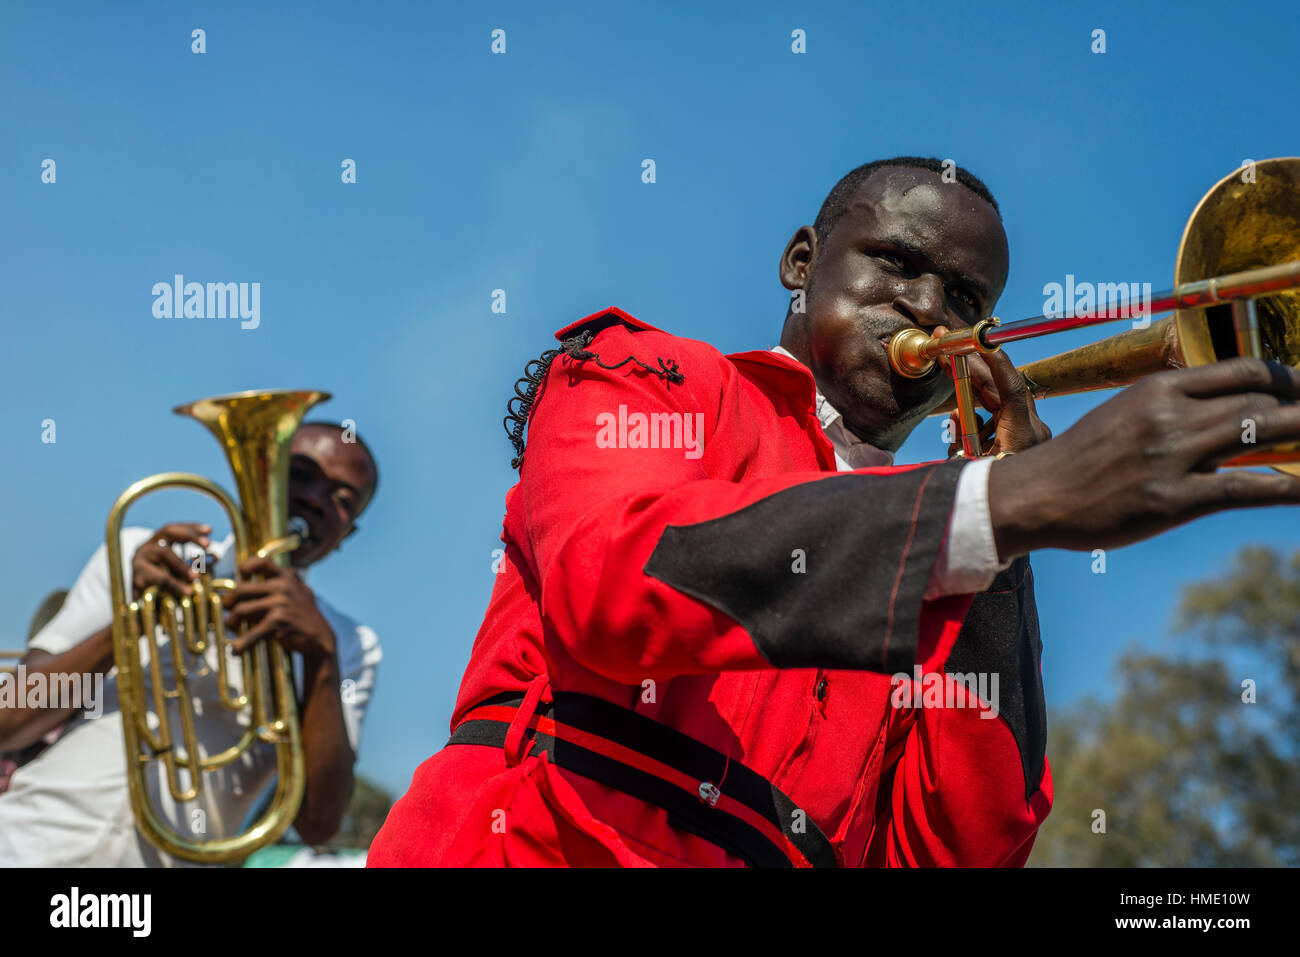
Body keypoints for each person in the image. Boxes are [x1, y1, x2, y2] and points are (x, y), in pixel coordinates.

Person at [369, 157, 1300, 868]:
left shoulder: (940, 542)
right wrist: (998, 501)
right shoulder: (643, 371)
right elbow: (615, 585)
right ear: (802, 261)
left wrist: (1007, 547)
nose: (929, 309)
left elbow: (959, 846)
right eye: (898, 261)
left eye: (968, 297)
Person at [0, 422, 383, 867]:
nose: (315, 501)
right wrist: (135, 619)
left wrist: (320, 657)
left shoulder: (351, 644)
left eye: (341, 500)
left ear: (347, 536)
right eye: (300, 475)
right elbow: (9, 721)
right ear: (259, 478)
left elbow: (320, 824)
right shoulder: (136, 554)